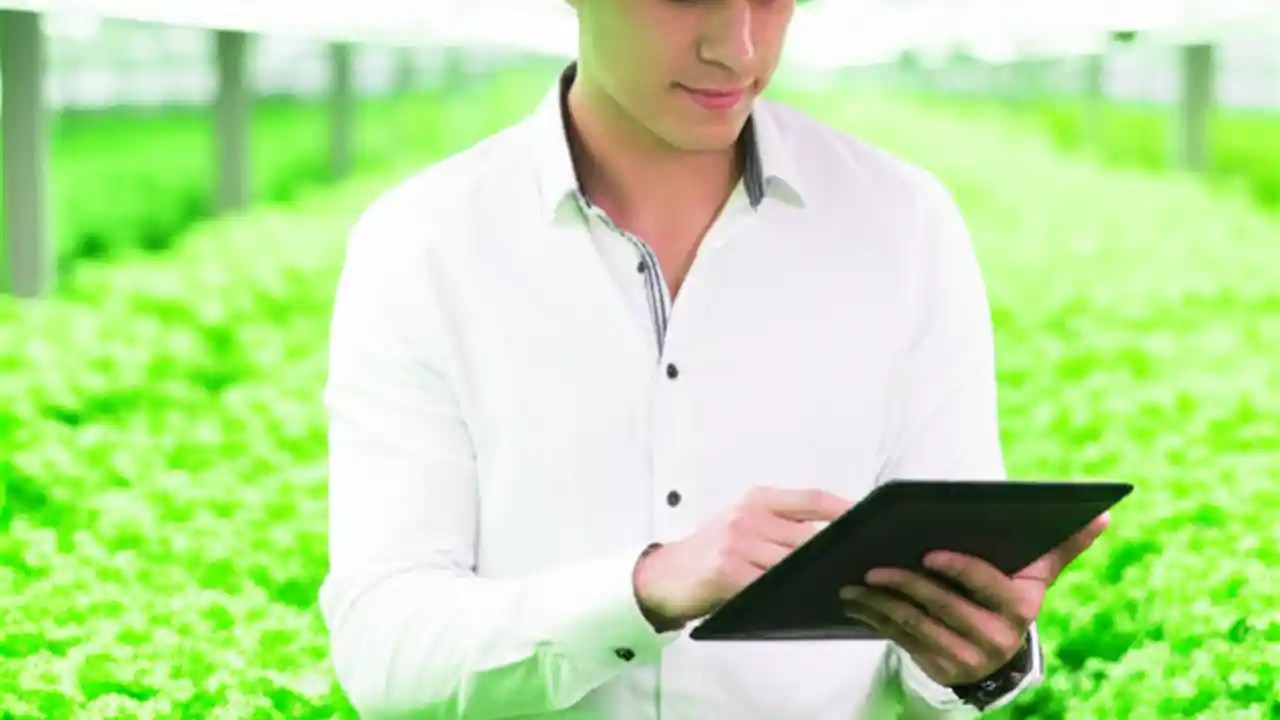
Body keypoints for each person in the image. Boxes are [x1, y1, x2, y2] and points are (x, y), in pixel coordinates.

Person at [318, 1, 1111, 717]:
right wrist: (643, 590)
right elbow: (385, 655)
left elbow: (932, 658)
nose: (737, 48)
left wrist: (978, 659)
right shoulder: (423, 244)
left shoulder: (903, 224)